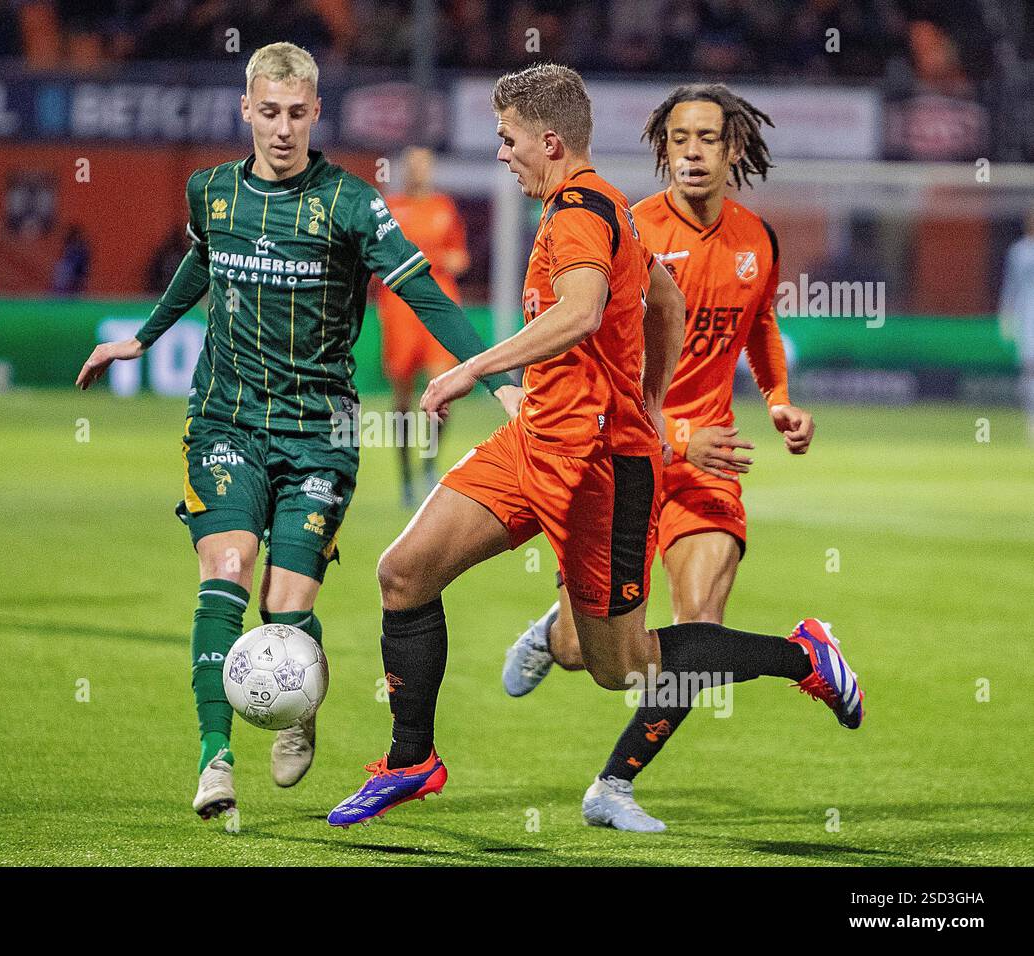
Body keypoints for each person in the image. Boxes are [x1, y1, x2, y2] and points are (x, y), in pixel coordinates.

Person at [327, 65, 863, 830]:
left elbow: (580, 312)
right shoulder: (612, 207)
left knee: (623, 667)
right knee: (404, 574)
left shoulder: (583, 214)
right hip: (535, 443)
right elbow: (667, 302)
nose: (502, 154)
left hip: (602, 473)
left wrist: (476, 368)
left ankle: (804, 656)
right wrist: (651, 398)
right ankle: (412, 761)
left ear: (550, 141)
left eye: (508, 140)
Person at [75, 43, 520, 828]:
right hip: (226, 419)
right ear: (246, 110)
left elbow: (422, 288)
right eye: (268, 112)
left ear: (316, 114)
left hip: (321, 430)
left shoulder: (351, 204)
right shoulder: (210, 191)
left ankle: (298, 696)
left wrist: (499, 377)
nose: (281, 129)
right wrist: (141, 338)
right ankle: (215, 757)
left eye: (296, 114)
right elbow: (201, 263)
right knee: (227, 567)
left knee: (286, 606)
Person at [502, 83, 821, 832]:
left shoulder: (757, 240)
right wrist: (675, 435)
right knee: (599, 656)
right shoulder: (626, 227)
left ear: (732, 149)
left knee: (701, 630)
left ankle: (613, 786)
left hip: (707, 471)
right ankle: (556, 635)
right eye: (678, 139)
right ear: (662, 149)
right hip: (624, 456)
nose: (692, 152)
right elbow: (589, 360)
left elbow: (760, 326)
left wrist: (776, 400)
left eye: (707, 138)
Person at [376, 146, 471, 505]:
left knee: (442, 388)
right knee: (401, 397)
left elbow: (461, 257)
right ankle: (405, 480)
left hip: (439, 302)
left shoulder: (443, 208)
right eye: (413, 166)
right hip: (400, 306)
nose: (419, 172)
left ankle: (429, 464)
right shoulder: (390, 208)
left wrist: (444, 259)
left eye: (424, 165)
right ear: (404, 170)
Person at [999, 205, 1034, 441]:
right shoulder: (1019, 251)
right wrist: (1006, 317)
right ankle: (1031, 419)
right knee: (1029, 368)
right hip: (1027, 315)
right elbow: (1010, 286)